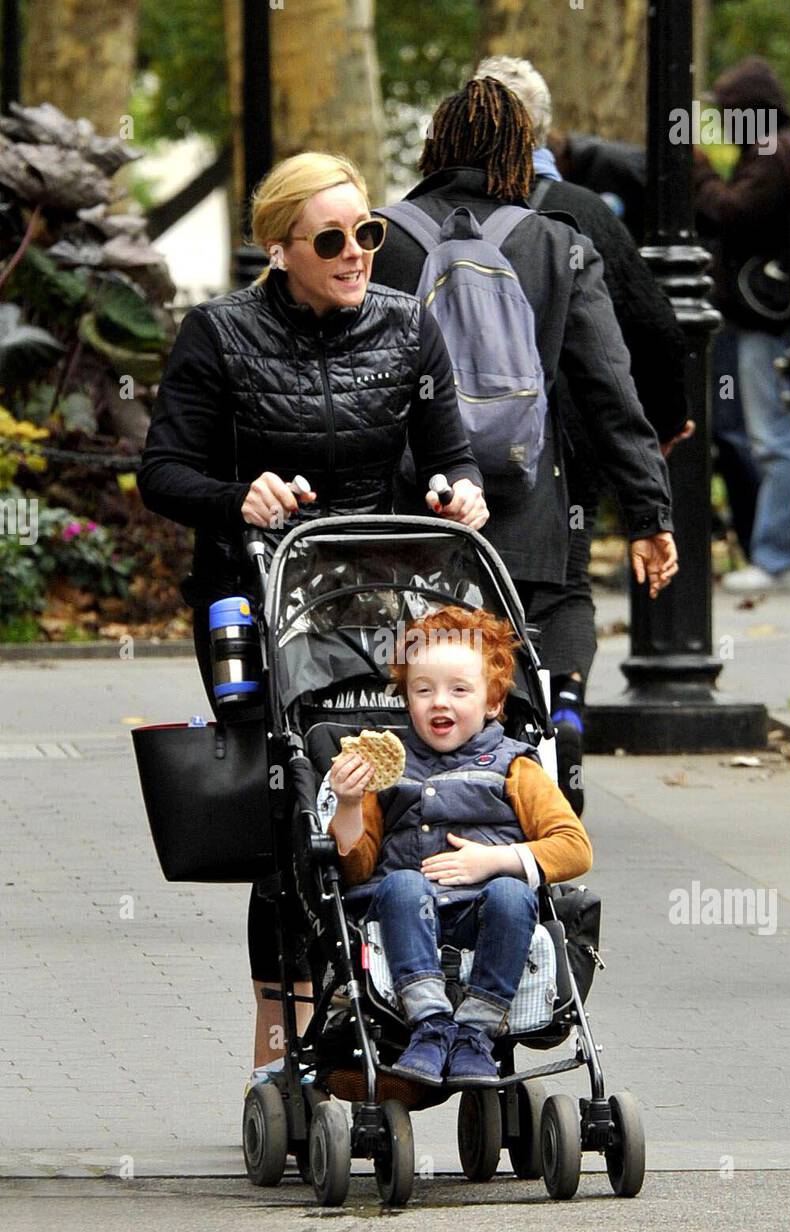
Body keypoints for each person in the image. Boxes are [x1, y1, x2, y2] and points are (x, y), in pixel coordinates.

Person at [138, 151, 489, 1068]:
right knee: (285, 797)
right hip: (249, 594)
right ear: (279, 248)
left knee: (379, 790)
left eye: (365, 232)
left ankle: (402, 994)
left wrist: (461, 491)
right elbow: (162, 474)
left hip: (375, 597)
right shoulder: (218, 334)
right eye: (330, 239)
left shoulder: (411, 328)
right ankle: (279, 1027)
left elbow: (453, 452)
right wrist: (237, 496)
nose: (355, 253)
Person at [370, 78, 678, 813]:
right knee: (534, 631)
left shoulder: (377, 240)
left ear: (433, 149)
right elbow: (609, 388)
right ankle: (539, 750)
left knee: (420, 670)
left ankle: (413, 815)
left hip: (407, 511)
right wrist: (648, 514)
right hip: (527, 507)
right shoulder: (558, 244)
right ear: (520, 151)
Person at [473, 56, 691, 807]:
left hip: (455, 446)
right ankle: (561, 702)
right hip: (565, 438)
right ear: (539, 129)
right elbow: (657, 331)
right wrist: (664, 427)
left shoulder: (418, 215)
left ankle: (483, 733)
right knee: (562, 585)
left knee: (471, 584)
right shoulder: (582, 211)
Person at [328, 606, 593, 1086]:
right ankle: (430, 1024)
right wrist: (347, 805)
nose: (438, 702)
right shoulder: (386, 772)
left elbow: (575, 848)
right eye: (423, 689)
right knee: (404, 883)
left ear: (493, 701)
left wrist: (493, 861)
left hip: (486, 918)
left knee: (513, 892)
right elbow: (355, 868)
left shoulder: (515, 767)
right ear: (407, 699)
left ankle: (476, 1030)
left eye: (458, 690)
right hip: (404, 917)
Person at [694, 58, 790, 593]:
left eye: (727, 113)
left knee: (772, 441)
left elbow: (733, 213)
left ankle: (779, 560)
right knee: (775, 438)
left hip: (775, 324)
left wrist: (698, 172)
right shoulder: (772, 150)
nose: (723, 123)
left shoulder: (771, 152)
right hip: (777, 320)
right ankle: (780, 556)